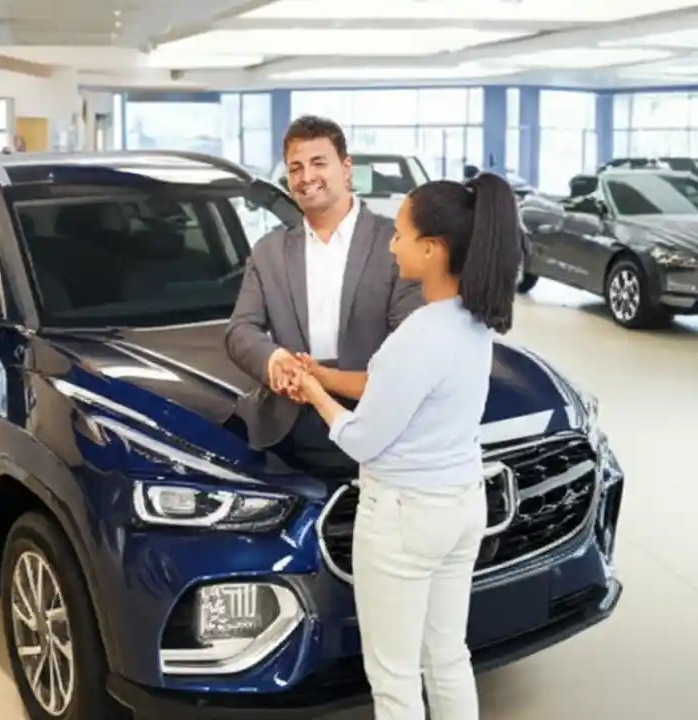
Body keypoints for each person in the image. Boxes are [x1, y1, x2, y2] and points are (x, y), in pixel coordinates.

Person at [294, 172, 523, 720]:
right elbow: (393, 387)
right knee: (447, 655)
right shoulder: (471, 322)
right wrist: (324, 375)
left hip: (404, 519)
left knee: (393, 676)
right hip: (461, 506)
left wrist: (312, 394)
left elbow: (362, 440)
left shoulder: (417, 335)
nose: (391, 245)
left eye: (399, 234)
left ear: (432, 248)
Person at [224, 115, 422, 474]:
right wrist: (274, 360)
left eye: (318, 163)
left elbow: (410, 340)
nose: (306, 177)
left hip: (376, 419)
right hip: (290, 426)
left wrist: (328, 380)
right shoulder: (269, 250)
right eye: (295, 168)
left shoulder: (395, 244)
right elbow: (241, 329)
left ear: (346, 169)